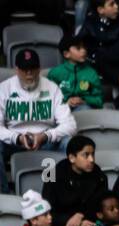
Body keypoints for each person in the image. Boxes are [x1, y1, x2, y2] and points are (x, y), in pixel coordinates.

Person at [0, 49, 76, 192]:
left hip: (46, 140)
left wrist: (45, 136)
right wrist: (17, 138)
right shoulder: (4, 89)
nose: (29, 73)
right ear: (16, 70)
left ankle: (67, 193)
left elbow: (70, 125)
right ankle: (3, 194)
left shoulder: (52, 88)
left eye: (33, 68)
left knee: (70, 143)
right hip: (14, 141)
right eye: (24, 69)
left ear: (39, 68)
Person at [42, 135, 108, 226]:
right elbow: (48, 210)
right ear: (72, 158)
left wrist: (80, 216)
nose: (91, 160)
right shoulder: (53, 175)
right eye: (86, 155)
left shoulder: (99, 176)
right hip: (60, 225)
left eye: (92, 154)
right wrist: (70, 220)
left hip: (89, 224)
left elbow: (99, 206)